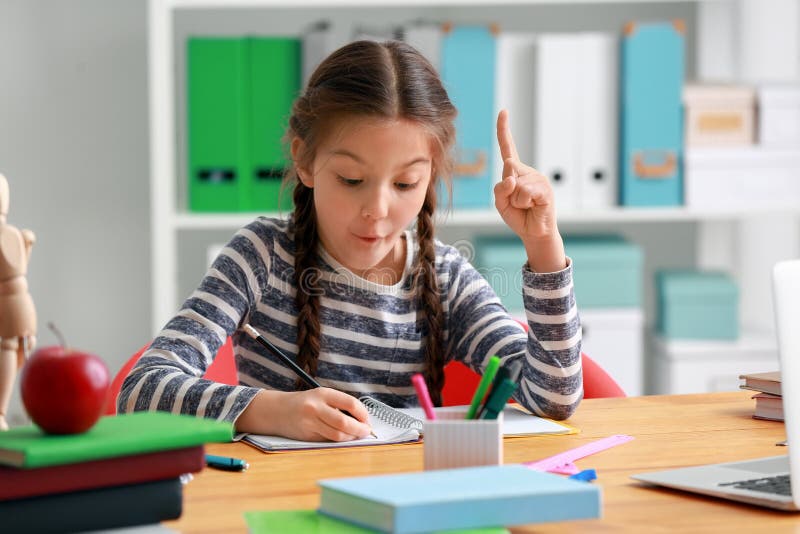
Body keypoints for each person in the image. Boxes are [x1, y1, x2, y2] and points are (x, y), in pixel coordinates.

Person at [118, 40, 581, 442]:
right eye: (351, 178)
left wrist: (543, 244)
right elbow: (141, 390)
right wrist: (272, 411)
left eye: (404, 185)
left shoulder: (446, 277)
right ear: (304, 160)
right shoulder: (261, 256)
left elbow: (553, 398)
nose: (377, 209)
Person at [0, 174, 37, 431]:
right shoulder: (14, 234)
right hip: (23, 304)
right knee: (19, 348)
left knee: (12, 348)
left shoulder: (8, 234)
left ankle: (1, 411)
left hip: (12, 304)